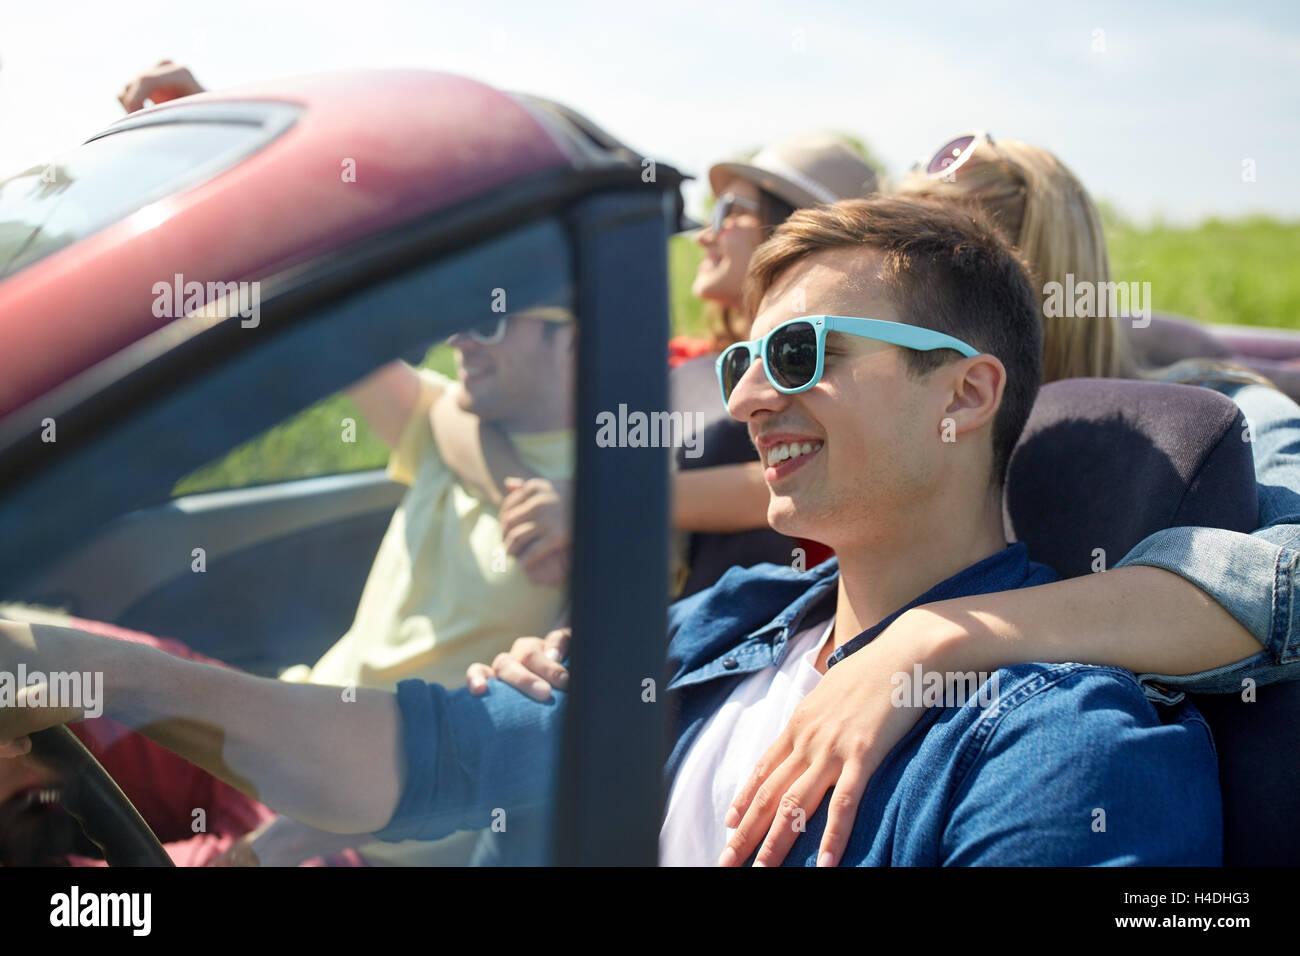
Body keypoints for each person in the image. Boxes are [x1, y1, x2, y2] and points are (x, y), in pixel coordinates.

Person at [0, 197, 1222, 866]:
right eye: (743, 356)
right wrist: (124, 675)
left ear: (964, 393)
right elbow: (421, 759)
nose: (745, 396)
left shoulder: (1064, 751)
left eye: (797, 356)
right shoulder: (720, 632)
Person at [0, 305, 577, 867]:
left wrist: (587, 509)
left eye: (488, 321)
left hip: (356, 836)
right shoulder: (453, 421)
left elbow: (564, 684)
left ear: (573, 335)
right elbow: (337, 325)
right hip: (270, 718)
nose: (458, 338)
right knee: (17, 649)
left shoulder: (611, 505)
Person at [438, 135, 881, 600]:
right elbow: (450, 412)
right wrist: (532, 499)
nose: (706, 234)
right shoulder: (674, 363)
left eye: (730, 211)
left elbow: (805, 480)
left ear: (796, 230)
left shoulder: (847, 373)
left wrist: (589, 503)